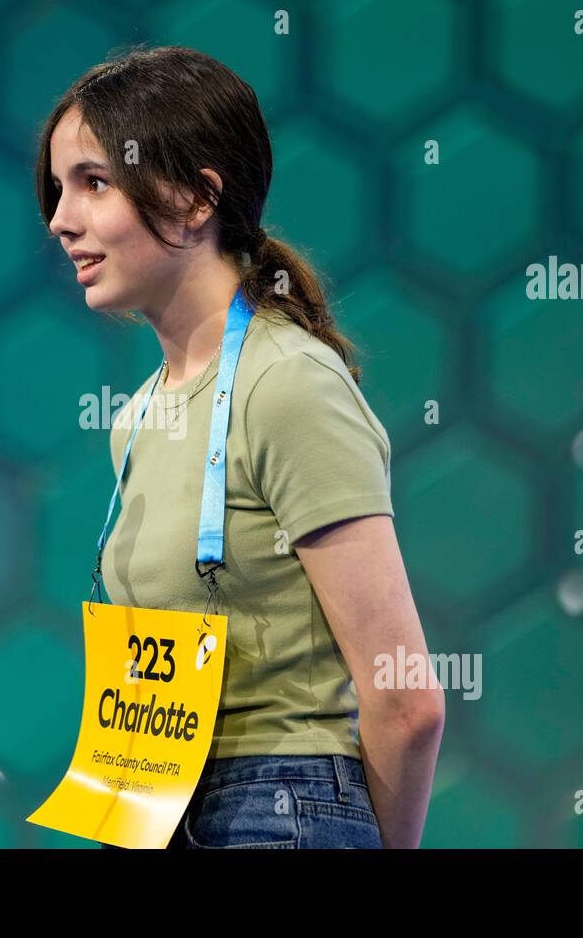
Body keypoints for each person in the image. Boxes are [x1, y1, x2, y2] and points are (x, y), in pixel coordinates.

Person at [35, 45, 443, 849]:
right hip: (159, 813)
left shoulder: (287, 384)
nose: (60, 219)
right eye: (56, 189)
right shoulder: (141, 414)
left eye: (93, 183)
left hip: (280, 811)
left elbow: (408, 700)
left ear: (195, 199)